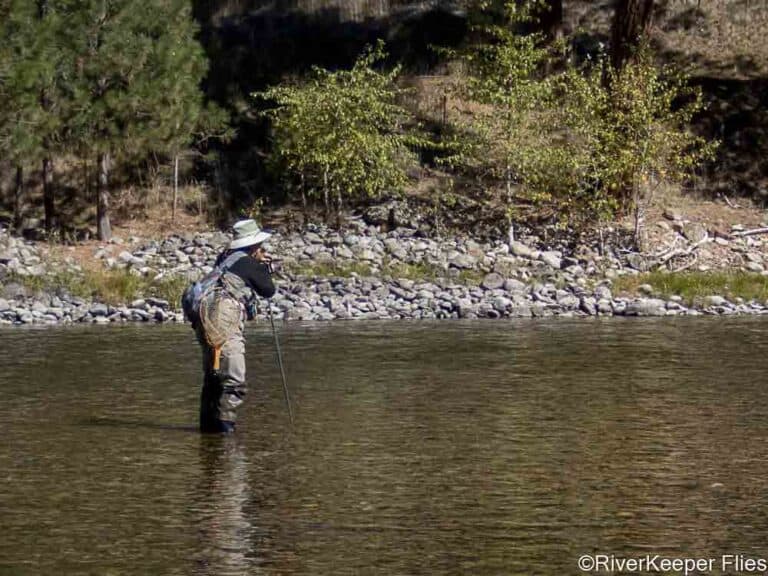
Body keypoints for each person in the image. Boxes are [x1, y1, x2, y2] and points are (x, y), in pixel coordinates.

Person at [195, 219, 276, 434]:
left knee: (213, 375)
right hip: (224, 318)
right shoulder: (249, 263)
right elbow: (268, 290)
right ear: (253, 246)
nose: (262, 250)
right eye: (260, 247)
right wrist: (266, 269)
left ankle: (208, 434)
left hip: (204, 317)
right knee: (234, 378)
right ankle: (225, 432)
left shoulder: (225, 258)